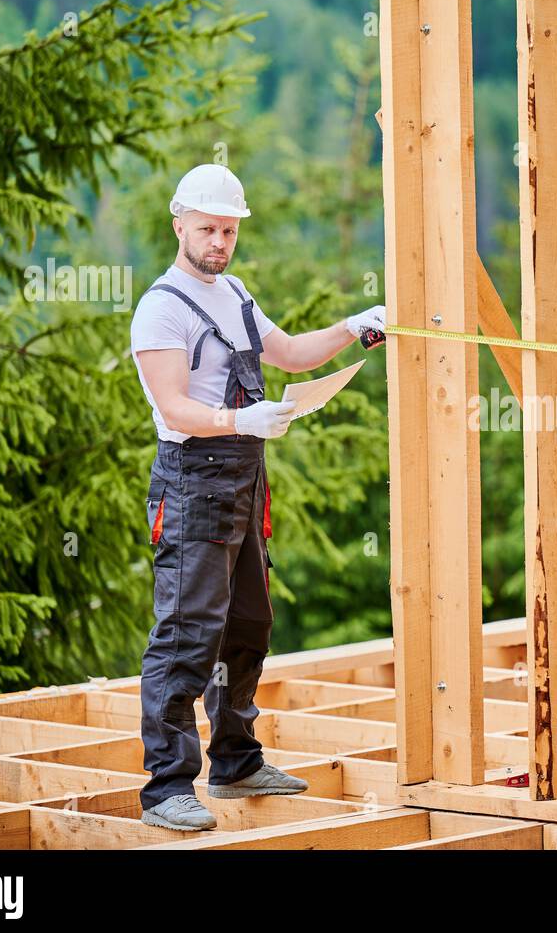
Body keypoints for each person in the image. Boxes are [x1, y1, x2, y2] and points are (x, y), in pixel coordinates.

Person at [129, 163, 385, 831]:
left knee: (247, 625)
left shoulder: (235, 293)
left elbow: (293, 354)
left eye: (230, 230)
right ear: (179, 223)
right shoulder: (161, 307)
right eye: (209, 228)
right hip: (192, 482)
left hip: (244, 481)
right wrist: (240, 420)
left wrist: (353, 327)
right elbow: (176, 408)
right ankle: (166, 789)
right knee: (186, 634)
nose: (220, 241)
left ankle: (237, 760)